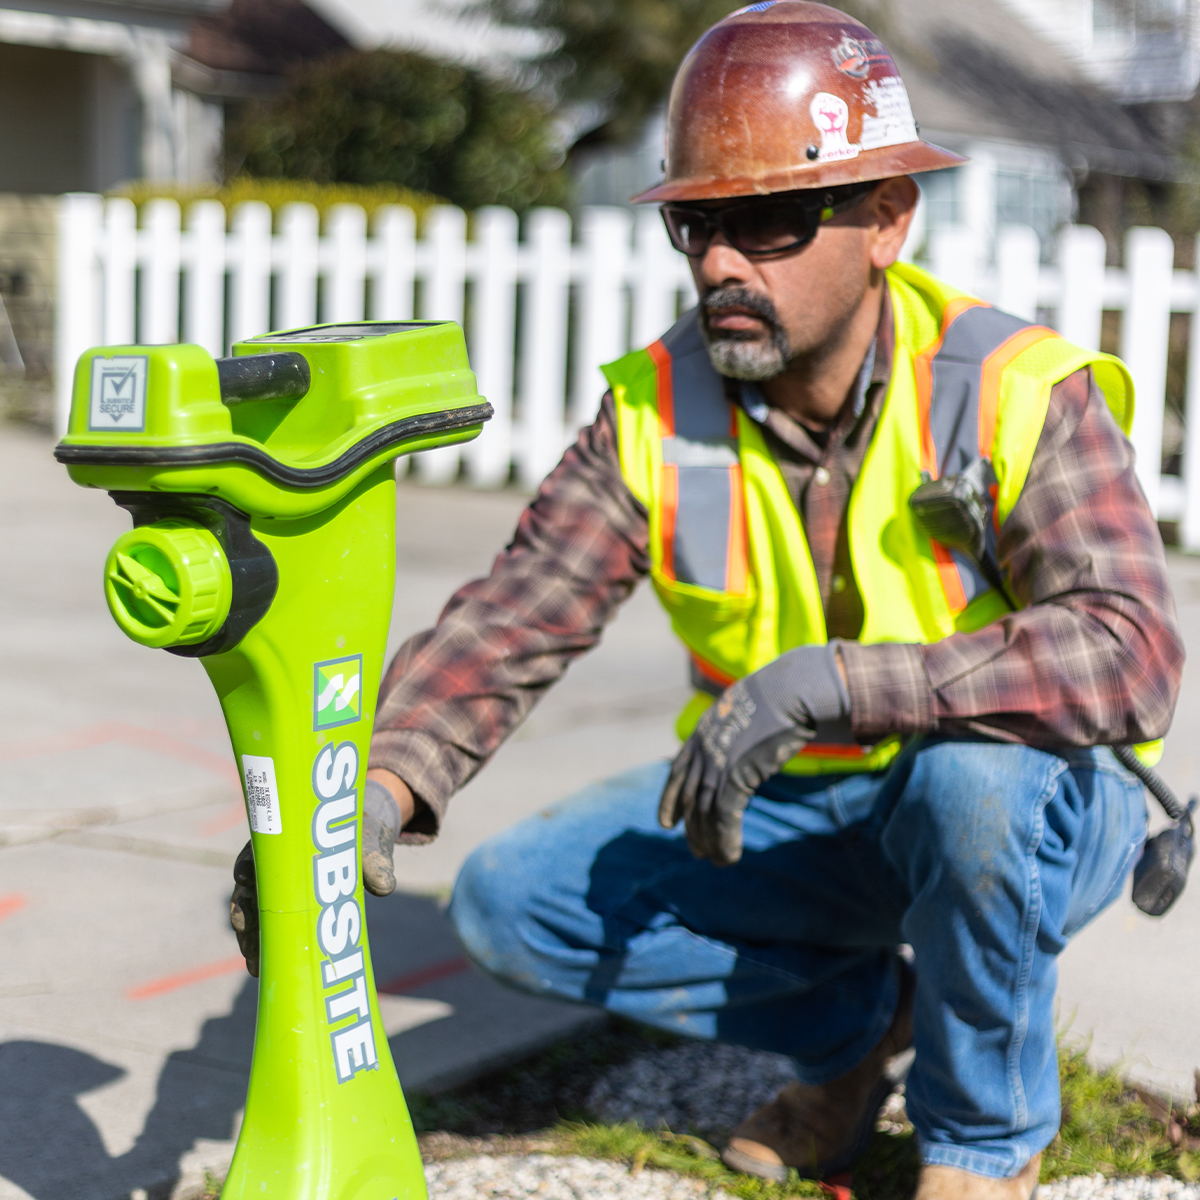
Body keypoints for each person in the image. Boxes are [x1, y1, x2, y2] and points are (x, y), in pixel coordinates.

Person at [230, 4, 1183, 1195]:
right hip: (792, 814)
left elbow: (1130, 653)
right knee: (508, 905)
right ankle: (860, 1035)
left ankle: (982, 1139)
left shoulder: (1014, 388)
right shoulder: (657, 406)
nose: (723, 264)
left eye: (770, 222)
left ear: (888, 219)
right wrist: (378, 779)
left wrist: (840, 681)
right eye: (698, 223)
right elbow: (520, 610)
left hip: (1024, 801)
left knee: (970, 788)